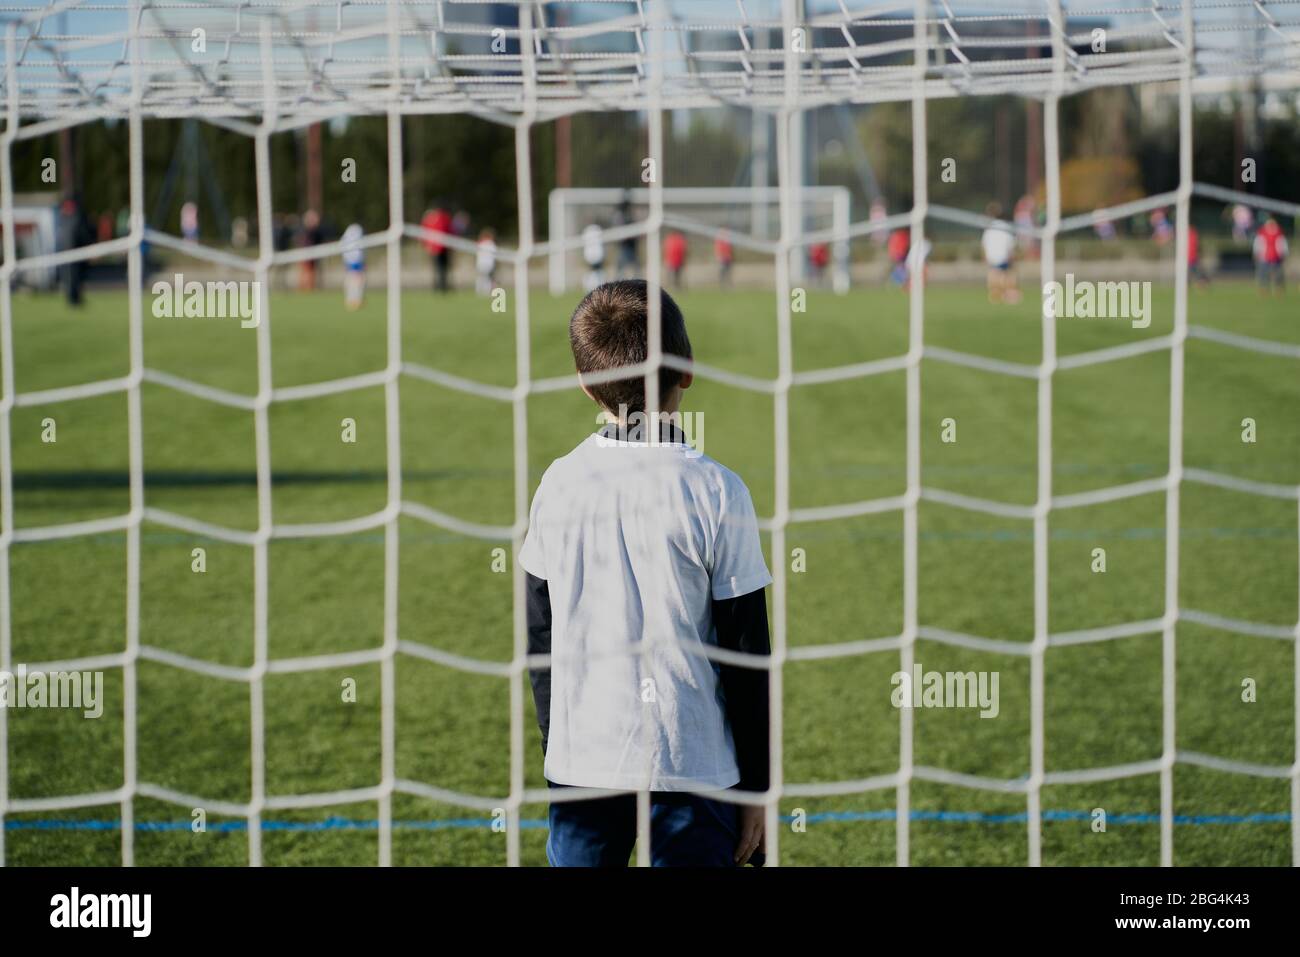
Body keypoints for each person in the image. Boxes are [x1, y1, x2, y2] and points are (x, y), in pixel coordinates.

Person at [520, 279, 771, 867]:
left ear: (584, 385)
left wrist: (559, 744)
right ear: (686, 370)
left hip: (583, 770)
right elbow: (748, 653)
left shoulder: (557, 484)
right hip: (695, 766)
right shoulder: (717, 489)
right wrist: (759, 786)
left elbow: (538, 634)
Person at [980, 203, 1020, 304]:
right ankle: (1007, 293)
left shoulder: (989, 229)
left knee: (995, 274)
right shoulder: (1005, 227)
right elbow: (1010, 244)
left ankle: (997, 294)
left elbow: (984, 244)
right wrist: (1011, 256)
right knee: (1006, 274)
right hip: (1003, 256)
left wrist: (985, 257)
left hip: (993, 257)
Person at [1253, 216, 1288, 296]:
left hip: (1277, 257)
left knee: (1278, 275)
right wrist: (1256, 253)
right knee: (1263, 274)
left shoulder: (1279, 234)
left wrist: (1284, 254)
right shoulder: (1262, 233)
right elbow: (1257, 244)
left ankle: (1279, 290)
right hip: (1264, 257)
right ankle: (1263, 289)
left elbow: (1283, 244)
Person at [422, 205, 453, 292]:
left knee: (441, 268)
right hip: (438, 247)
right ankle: (440, 287)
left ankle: (441, 286)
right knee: (440, 268)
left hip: (441, 247)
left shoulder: (438, 218)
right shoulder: (436, 218)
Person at [340, 222, 366, 310]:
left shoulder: (347, 237)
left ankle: (353, 299)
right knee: (355, 279)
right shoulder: (354, 235)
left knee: (353, 278)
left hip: (351, 260)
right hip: (354, 260)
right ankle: (353, 299)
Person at [613, 193, 638, 277]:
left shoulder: (629, 216)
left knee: (634, 268)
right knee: (622, 268)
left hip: (631, 247)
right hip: (624, 247)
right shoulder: (620, 216)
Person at [298, 208, 323, 291]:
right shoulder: (307, 231)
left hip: (312, 254)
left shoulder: (315, 231)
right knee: (307, 272)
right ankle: (306, 289)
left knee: (310, 271)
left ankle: (309, 288)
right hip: (307, 254)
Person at [581, 222, 606, 292]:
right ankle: (592, 286)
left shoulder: (593, 230)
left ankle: (596, 286)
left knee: (597, 271)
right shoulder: (592, 230)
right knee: (594, 271)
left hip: (594, 255)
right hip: (592, 255)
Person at [476, 227, 498, 296]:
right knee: (487, 278)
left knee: (482, 278)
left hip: (481, 263)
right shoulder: (491, 244)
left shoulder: (481, 244)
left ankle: (480, 291)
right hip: (488, 264)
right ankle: (486, 291)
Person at [1187, 224, 1210, 289]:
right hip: (1191, 257)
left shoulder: (1192, 233)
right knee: (1196, 273)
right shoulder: (1192, 233)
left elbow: (1196, 246)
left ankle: (1202, 284)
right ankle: (1202, 283)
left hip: (1191, 258)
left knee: (1197, 273)